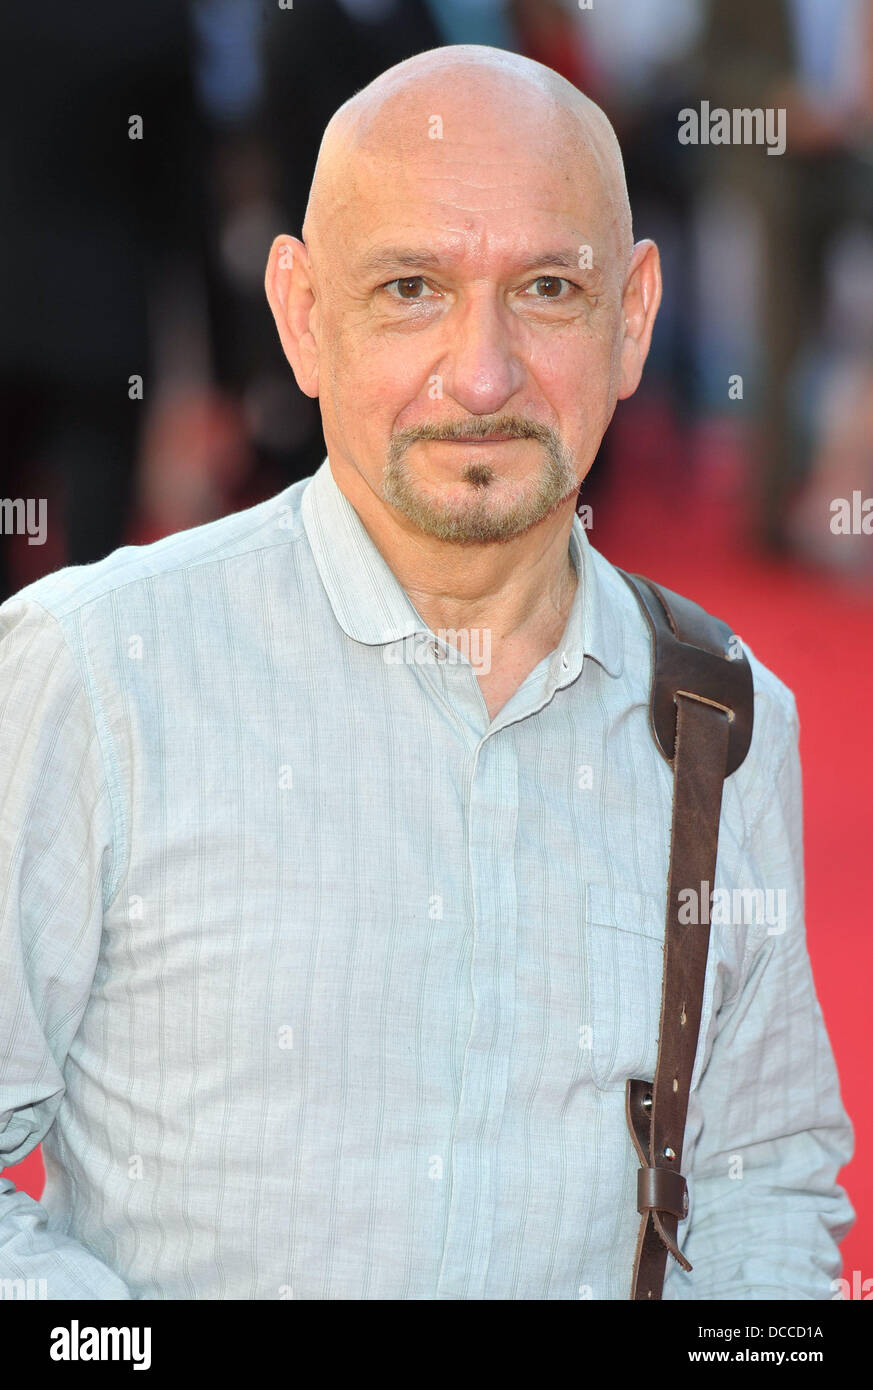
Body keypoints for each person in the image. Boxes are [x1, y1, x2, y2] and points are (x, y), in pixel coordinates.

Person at [0, 44, 854, 1300]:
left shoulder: (722, 721)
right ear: (300, 315)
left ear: (633, 319)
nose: (484, 375)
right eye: (411, 286)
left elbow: (760, 1184)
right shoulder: (97, 671)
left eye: (549, 289)